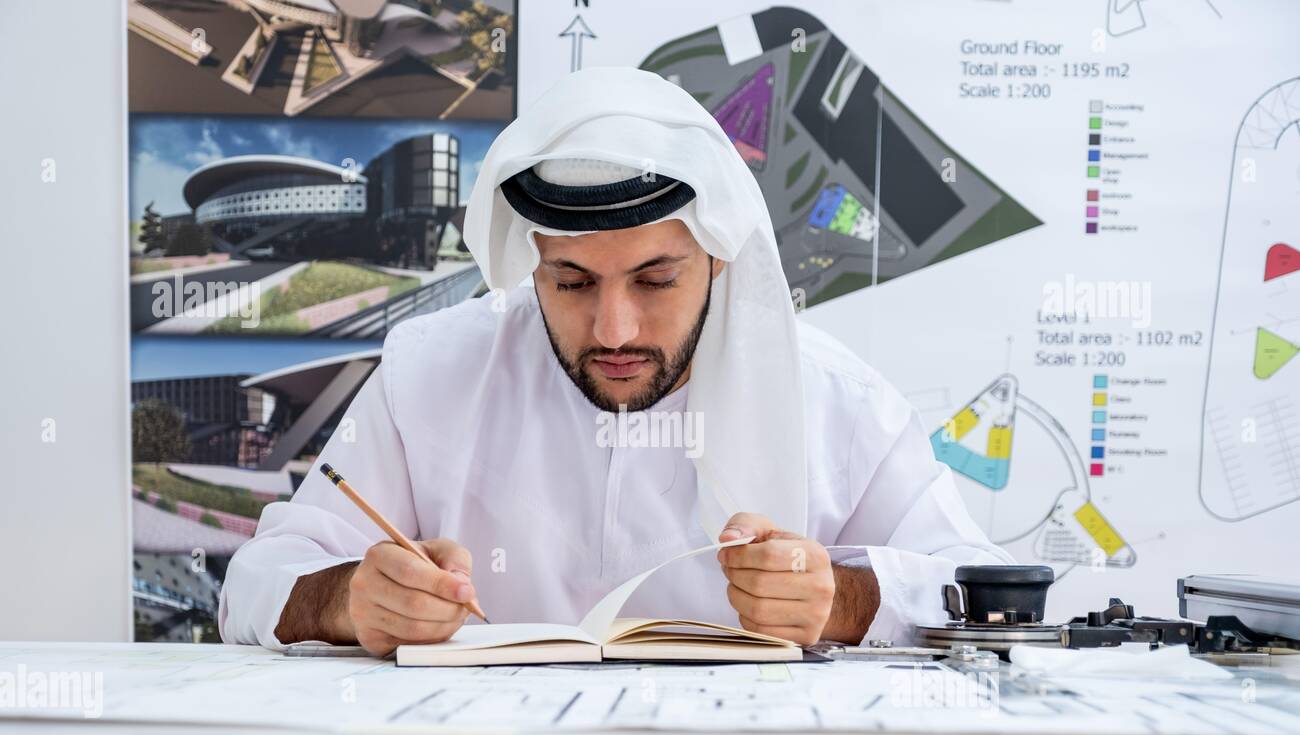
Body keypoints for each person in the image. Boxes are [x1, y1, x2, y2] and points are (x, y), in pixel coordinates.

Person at [219, 67, 1010, 657]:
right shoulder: (429, 373)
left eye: (656, 280)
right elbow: (254, 585)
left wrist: (845, 601)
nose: (614, 327)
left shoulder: (836, 399)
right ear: (531, 265)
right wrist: (345, 600)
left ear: (720, 260)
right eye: (571, 282)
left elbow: (994, 598)